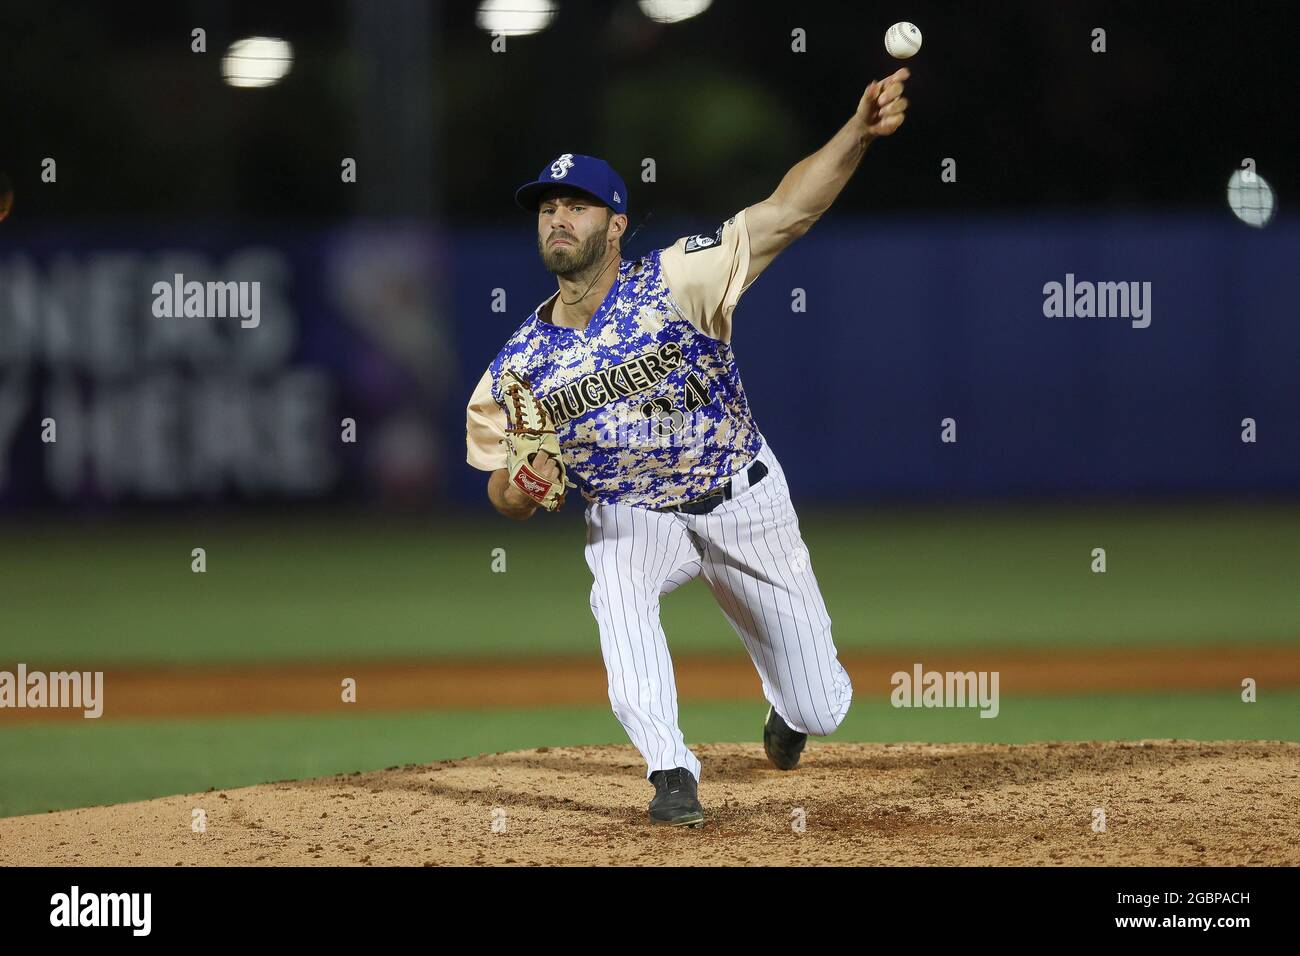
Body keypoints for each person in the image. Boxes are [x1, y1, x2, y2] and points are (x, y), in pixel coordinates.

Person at [465, 69, 911, 826]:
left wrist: (857, 133)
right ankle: (671, 771)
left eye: (578, 206)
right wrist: (523, 488)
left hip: (742, 496)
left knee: (823, 703)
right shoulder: (517, 369)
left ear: (616, 225)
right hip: (634, 512)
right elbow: (501, 492)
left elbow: (787, 212)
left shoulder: (675, 279)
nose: (558, 218)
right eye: (547, 208)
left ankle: (788, 710)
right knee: (616, 591)